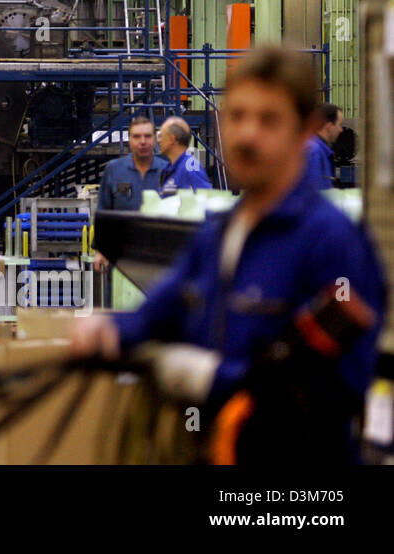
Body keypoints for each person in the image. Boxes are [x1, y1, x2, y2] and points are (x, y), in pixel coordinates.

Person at [70, 46, 386, 463]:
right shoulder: (218, 235)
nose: (248, 135)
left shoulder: (333, 243)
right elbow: (161, 311)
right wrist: (107, 330)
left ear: (303, 130)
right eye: (237, 116)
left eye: (268, 119)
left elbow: (337, 387)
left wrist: (212, 378)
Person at [96, 114, 169, 211]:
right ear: (129, 140)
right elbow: (103, 214)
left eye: (147, 136)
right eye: (137, 137)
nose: (143, 142)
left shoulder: (168, 171)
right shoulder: (114, 170)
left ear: (155, 139)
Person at [157, 116, 212, 195]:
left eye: (161, 136)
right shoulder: (169, 168)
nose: (159, 141)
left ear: (172, 139)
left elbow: (205, 200)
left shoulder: (190, 168)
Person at [303, 102, 343, 190]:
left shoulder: (318, 150)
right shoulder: (314, 152)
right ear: (329, 126)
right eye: (339, 125)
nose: (341, 130)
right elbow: (313, 194)